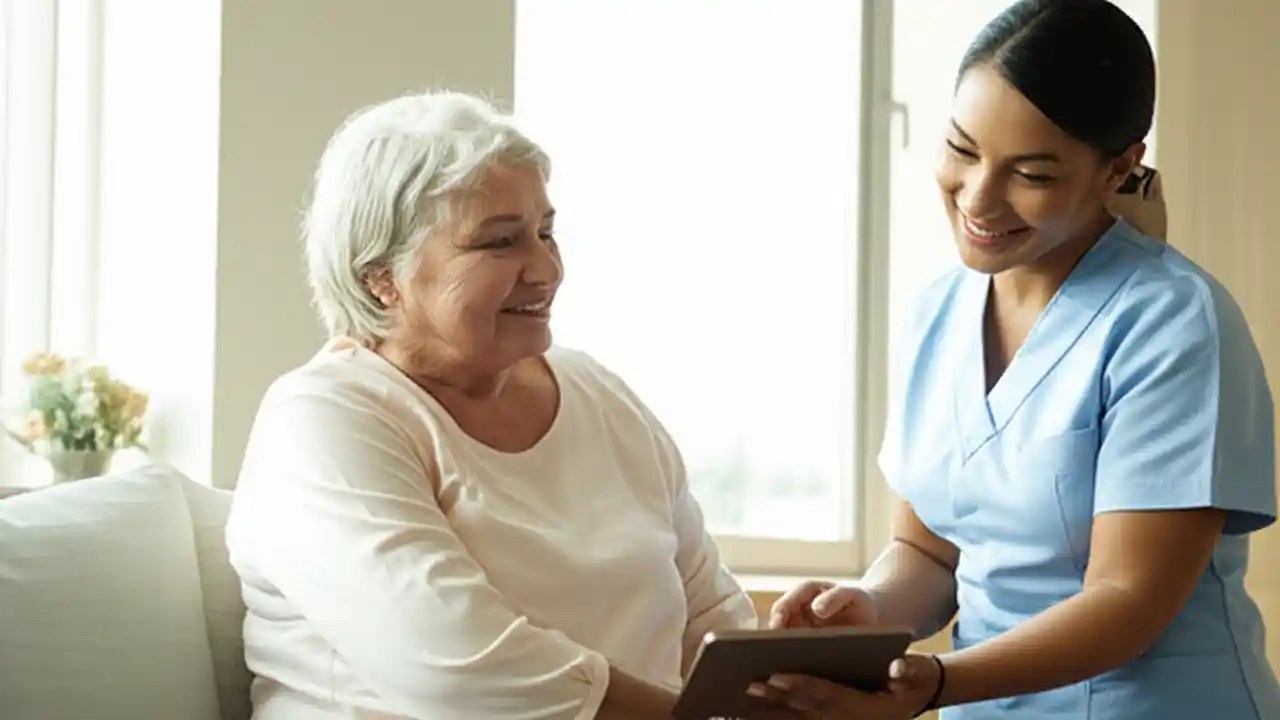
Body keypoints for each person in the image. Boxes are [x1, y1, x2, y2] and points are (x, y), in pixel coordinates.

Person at [763, 1, 1280, 718]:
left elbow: (1128, 600)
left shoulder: (1173, 323)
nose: (978, 198)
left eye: (1031, 174)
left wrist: (936, 682)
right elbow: (931, 550)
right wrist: (867, 608)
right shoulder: (938, 313)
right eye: (962, 149)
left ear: (1120, 166)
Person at [224, 91, 758, 720]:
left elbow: (710, 615)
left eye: (546, 233)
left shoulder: (599, 394)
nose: (546, 268)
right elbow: (457, 669)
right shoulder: (322, 419)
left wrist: (796, 670)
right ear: (382, 277)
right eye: (500, 243)